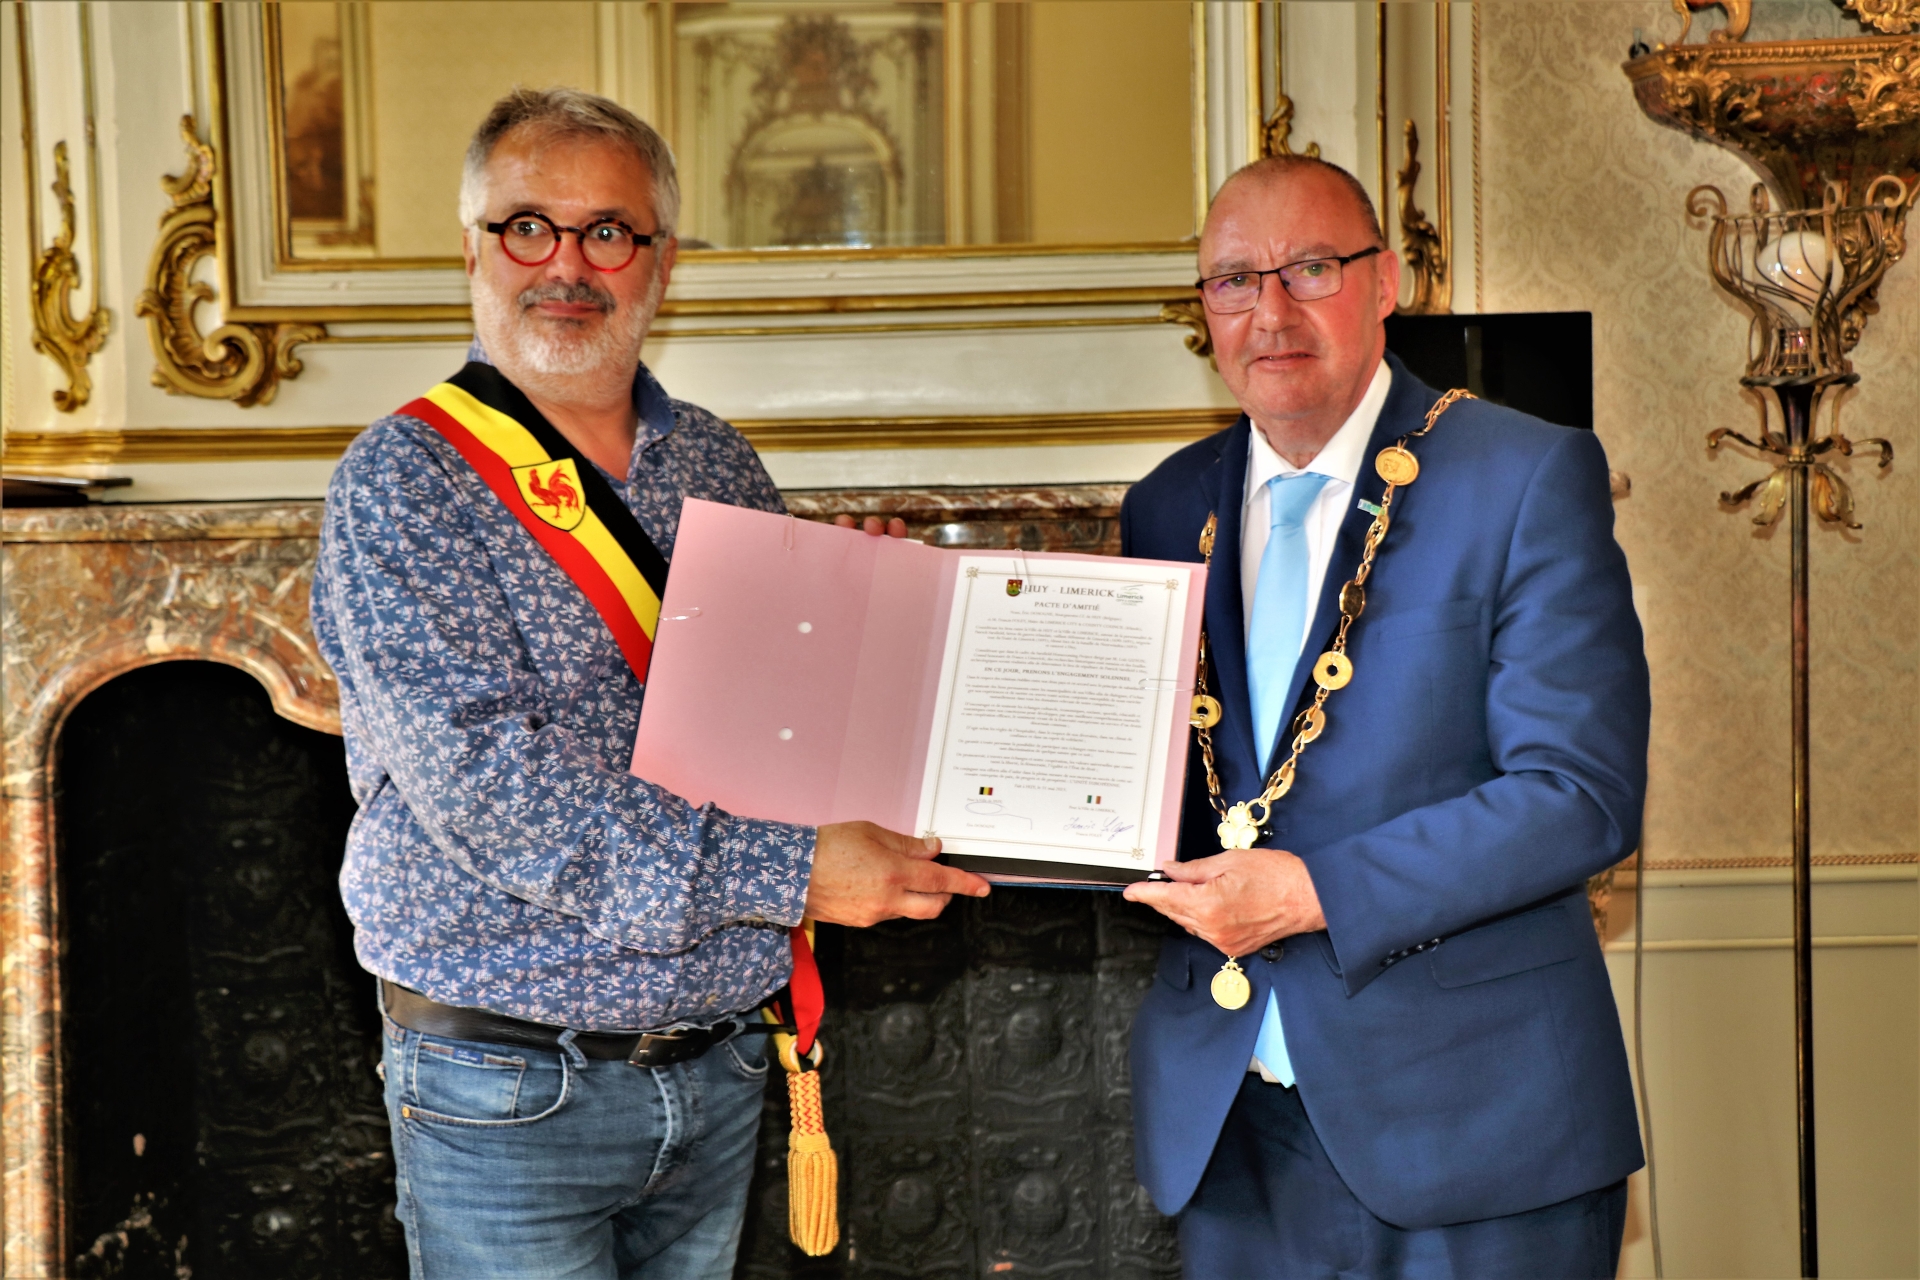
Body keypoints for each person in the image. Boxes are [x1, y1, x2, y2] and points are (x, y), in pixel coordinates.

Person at [311, 87, 988, 1280]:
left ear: (660, 264)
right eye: (530, 226)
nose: (567, 264)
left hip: (720, 1063)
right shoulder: (405, 481)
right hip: (510, 1078)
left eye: (609, 231)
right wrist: (794, 867)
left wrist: (888, 628)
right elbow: (492, 788)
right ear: (471, 248)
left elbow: (778, 719)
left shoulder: (717, 460)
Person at [1120, 155, 1648, 1277]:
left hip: (1477, 1128)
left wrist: (1319, 891)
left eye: (1311, 267)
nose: (1270, 311)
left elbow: (1578, 792)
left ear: (1388, 278)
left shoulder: (1524, 473)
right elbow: (1143, 788)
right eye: (1232, 280)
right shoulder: (1166, 506)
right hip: (1231, 1130)